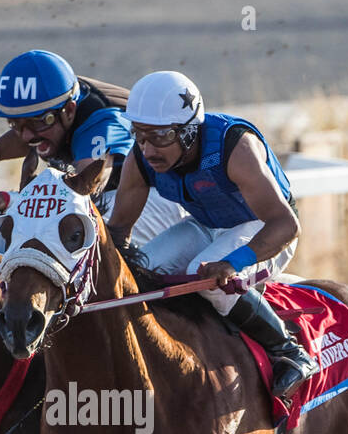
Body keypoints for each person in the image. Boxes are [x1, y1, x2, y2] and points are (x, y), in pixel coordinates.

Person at [106, 70, 317, 396]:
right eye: (140, 135)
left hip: (264, 227)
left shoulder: (235, 148)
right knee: (141, 273)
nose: (148, 151)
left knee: (204, 278)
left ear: (190, 131)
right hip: (206, 224)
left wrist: (234, 263)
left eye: (160, 137)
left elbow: (285, 225)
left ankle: (289, 350)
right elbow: (118, 230)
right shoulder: (141, 157)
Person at [0, 50, 184, 244]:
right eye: (15, 123)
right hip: (122, 196)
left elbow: (83, 189)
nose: (27, 135)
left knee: (76, 234)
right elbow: (28, 131)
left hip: (162, 199)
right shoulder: (56, 99)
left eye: (38, 122)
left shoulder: (100, 124)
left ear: (70, 110)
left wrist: (11, 200)